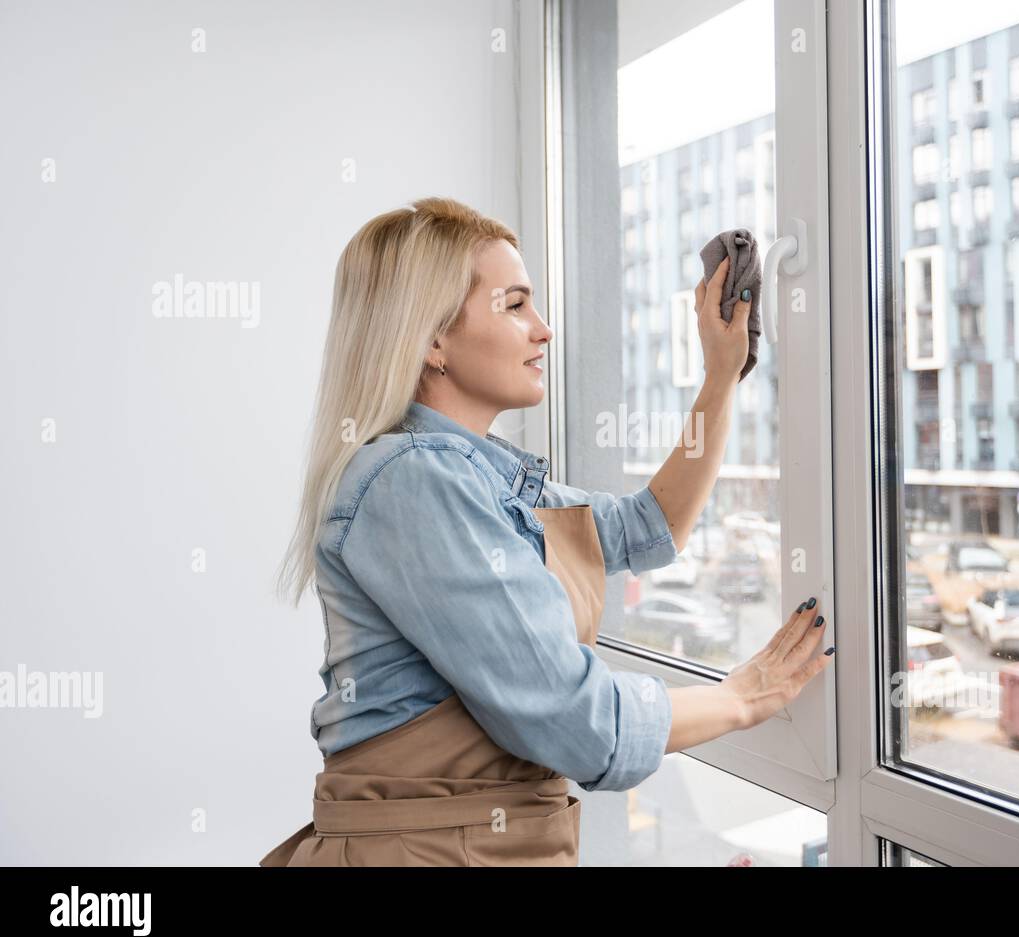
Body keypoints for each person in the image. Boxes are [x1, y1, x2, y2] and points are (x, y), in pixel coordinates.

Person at [261, 197, 833, 866]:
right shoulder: (414, 480)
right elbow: (580, 723)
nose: (544, 330)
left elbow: (649, 527)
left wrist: (721, 375)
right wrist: (741, 697)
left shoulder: (477, 476)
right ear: (432, 339)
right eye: (514, 305)